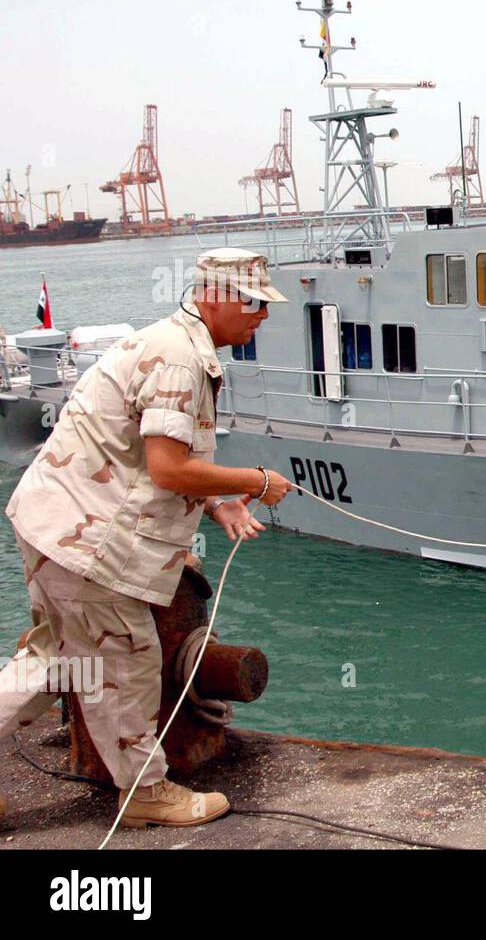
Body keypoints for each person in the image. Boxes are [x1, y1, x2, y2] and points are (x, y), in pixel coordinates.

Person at [0, 248, 293, 829]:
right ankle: (144, 794)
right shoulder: (182, 360)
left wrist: (215, 505)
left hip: (54, 525)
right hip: (88, 545)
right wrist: (257, 482)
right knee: (130, 662)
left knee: (59, 660)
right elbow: (166, 468)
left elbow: (147, 451)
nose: (263, 315)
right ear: (216, 297)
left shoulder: (173, 344)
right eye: (254, 302)